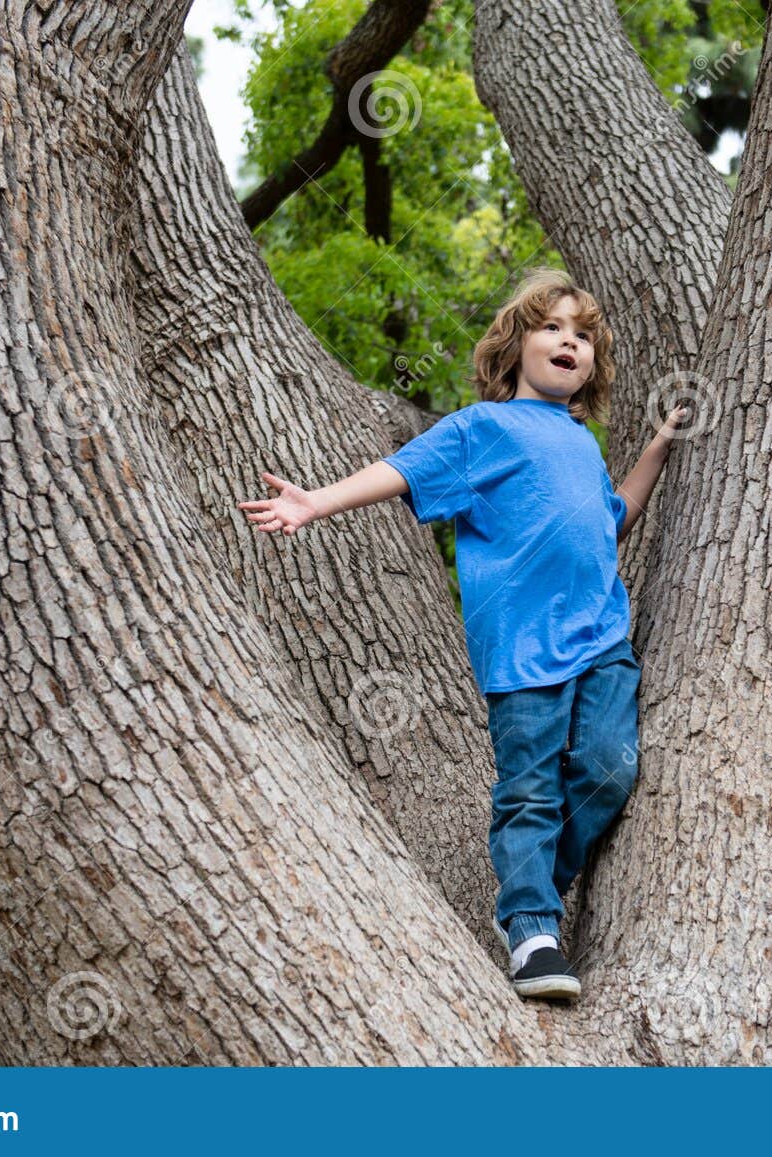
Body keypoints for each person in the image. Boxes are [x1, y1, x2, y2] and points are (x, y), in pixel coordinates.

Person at [237, 267, 686, 1001]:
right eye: (552, 327)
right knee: (530, 790)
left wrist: (660, 446)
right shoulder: (484, 428)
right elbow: (402, 469)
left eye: (582, 335)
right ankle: (531, 927)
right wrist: (314, 502)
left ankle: (536, 881)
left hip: (603, 638)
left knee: (609, 769)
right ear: (514, 347)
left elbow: (613, 521)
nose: (569, 341)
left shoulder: (581, 442)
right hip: (523, 650)